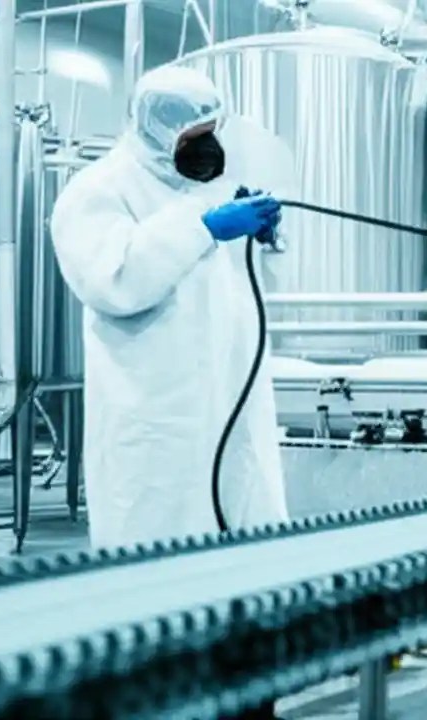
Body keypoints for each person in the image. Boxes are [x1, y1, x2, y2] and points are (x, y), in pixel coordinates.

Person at [50, 65, 292, 549]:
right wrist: (203, 229)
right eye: (193, 137)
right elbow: (115, 283)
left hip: (229, 401)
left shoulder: (203, 189)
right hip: (156, 416)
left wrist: (266, 241)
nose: (207, 148)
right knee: (159, 546)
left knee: (242, 531)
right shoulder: (96, 191)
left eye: (213, 133)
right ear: (157, 132)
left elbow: (231, 292)